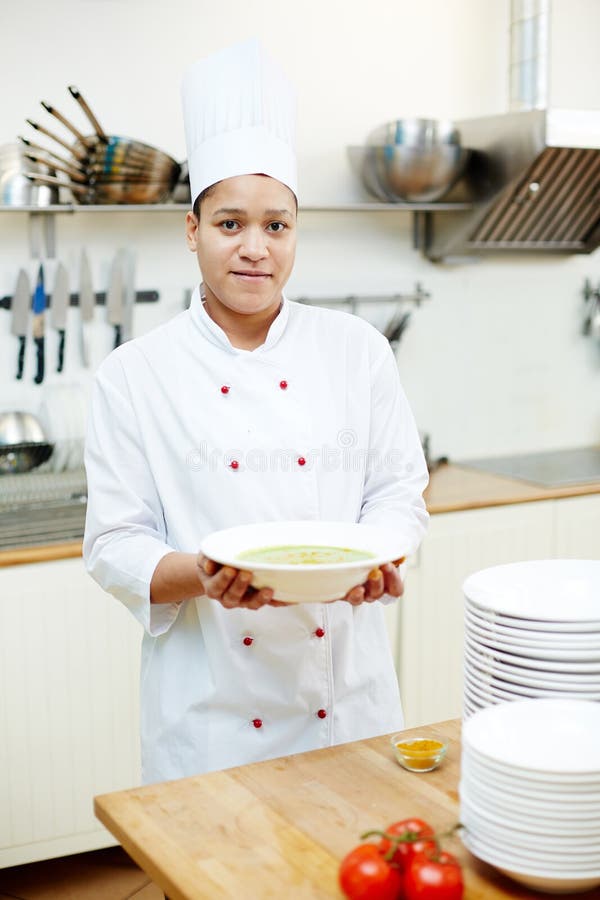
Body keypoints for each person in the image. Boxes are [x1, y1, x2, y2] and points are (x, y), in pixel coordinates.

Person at [83, 39, 429, 785]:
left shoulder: (357, 348)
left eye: (277, 225)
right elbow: (114, 543)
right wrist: (203, 575)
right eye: (230, 224)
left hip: (347, 700)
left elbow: (399, 491)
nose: (255, 249)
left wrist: (385, 556)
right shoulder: (133, 375)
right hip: (214, 722)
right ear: (192, 231)